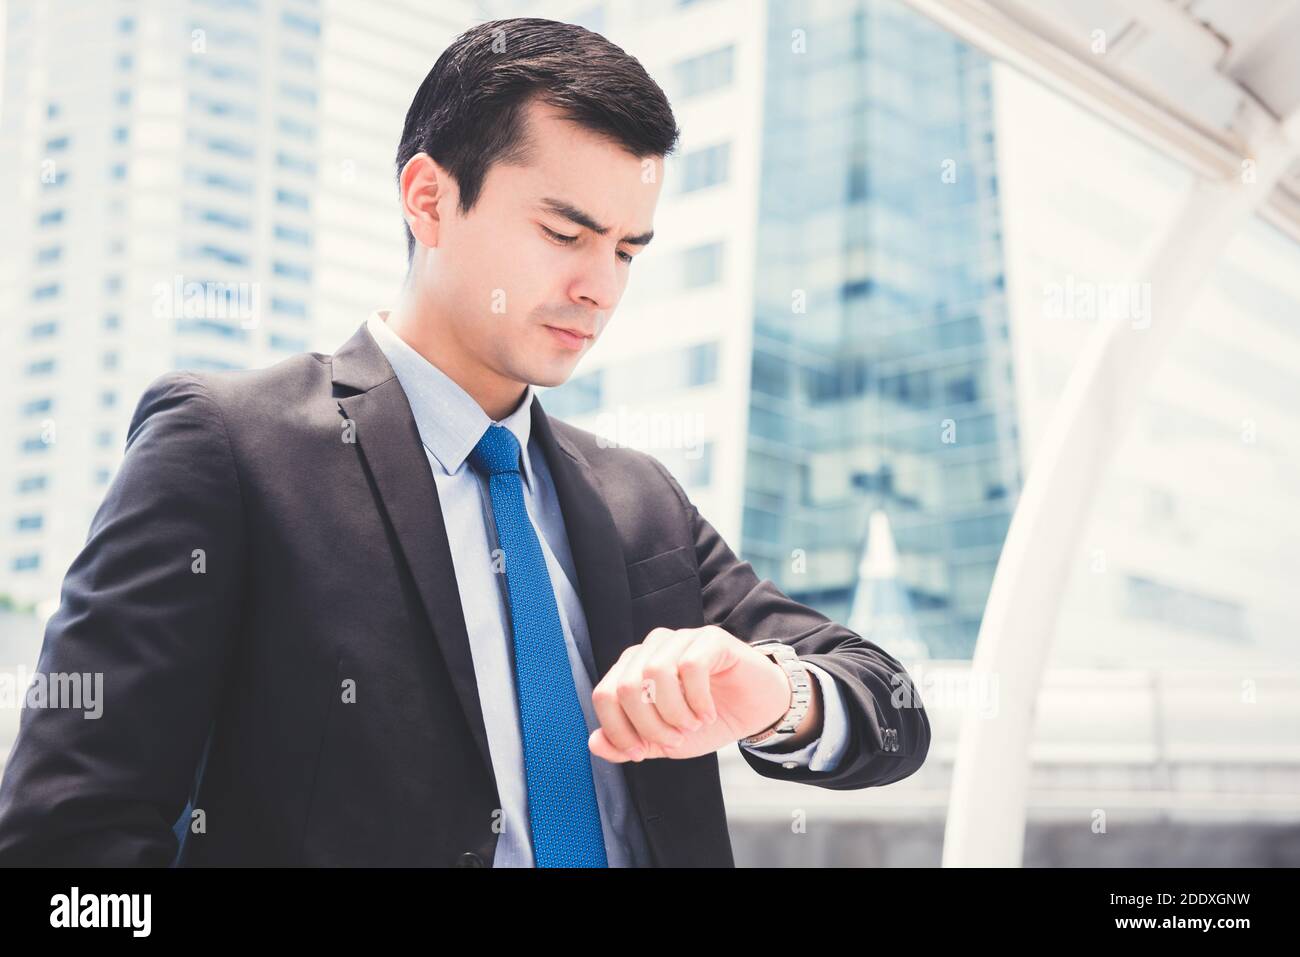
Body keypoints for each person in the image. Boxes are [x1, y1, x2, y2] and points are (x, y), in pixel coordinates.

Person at [0, 17, 929, 868]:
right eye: (566, 232)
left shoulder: (638, 497)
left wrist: (776, 694)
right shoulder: (230, 450)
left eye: (627, 250)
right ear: (429, 198)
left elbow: (892, 707)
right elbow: (67, 837)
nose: (600, 286)